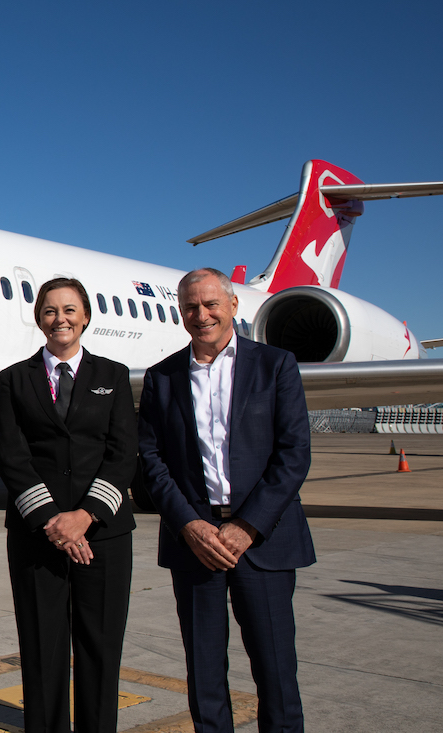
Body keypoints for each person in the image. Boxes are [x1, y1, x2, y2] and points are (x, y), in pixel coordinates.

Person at [138, 268, 314, 733]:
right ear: (180, 313)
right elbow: (152, 459)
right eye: (191, 307)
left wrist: (247, 526)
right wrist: (188, 525)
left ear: (233, 306)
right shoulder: (163, 377)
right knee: (205, 676)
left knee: (276, 671)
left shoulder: (275, 365)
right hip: (194, 541)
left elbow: (293, 455)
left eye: (211, 304)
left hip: (262, 542)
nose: (202, 315)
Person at [0, 277, 136, 733]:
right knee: (41, 647)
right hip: (38, 537)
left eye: (70, 310)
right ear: (39, 319)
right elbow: (12, 458)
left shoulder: (112, 376)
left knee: (100, 647)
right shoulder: (15, 379)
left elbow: (122, 453)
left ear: (86, 317)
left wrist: (86, 516)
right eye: (51, 311)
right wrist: (54, 523)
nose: (61, 319)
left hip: (103, 535)